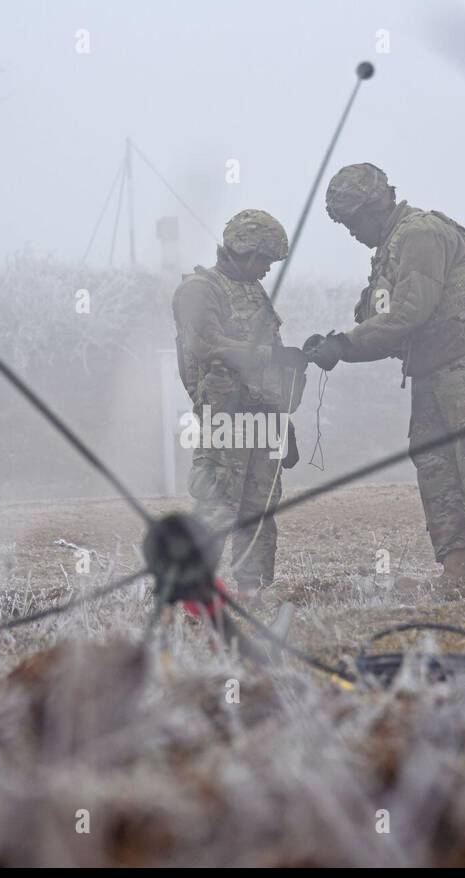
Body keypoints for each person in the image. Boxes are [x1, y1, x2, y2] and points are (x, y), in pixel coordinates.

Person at [304, 163, 465, 587]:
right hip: (431, 367)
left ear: (374, 207)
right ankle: (457, 570)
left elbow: (409, 313)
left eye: (354, 221)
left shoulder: (419, 234)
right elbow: (387, 322)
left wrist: (346, 346)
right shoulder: (392, 248)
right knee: (434, 467)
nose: (352, 232)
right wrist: (339, 343)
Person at [172, 209, 307, 597]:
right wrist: (269, 356)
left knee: (260, 508)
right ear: (243, 251)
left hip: (264, 418)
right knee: (216, 505)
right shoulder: (200, 289)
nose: (267, 269)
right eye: (263, 259)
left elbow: (271, 358)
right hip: (225, 418)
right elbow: (204, 344)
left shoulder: (254, 290)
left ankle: (254, 590)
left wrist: (285, 419)